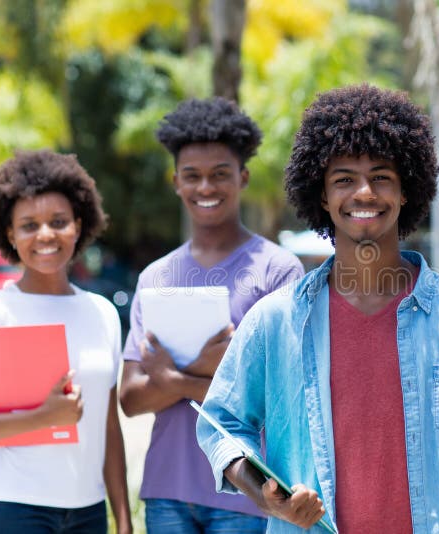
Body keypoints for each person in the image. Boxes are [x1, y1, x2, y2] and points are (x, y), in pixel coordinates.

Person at [196, 84, 439, 534]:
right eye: (344, 179)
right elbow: (222, 424)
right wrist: (268, 498)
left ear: (407, 190)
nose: (364, 192)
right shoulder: (275, 321)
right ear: (321, 195)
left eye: (381, 176)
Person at [118, 97, 304, 534]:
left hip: (248, 492)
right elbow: (130, 400)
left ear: (243, 177)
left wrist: (177, 379)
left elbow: (281, 395)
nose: (206, 187)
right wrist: (213, 369)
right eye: (193, 176)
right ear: (176, 183)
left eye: (220, 174)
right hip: (167, 490)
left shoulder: (278, 271)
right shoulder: (156, 275)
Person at [0, 150, 132, 534]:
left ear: (78, 224)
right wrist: (41, 418)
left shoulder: (103, 313)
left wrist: (122, 519)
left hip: (88, 514)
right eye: (29, 225)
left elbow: (109, 427)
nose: (45, 235)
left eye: (58, 222)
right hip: (12, 510)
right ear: (9, 234)